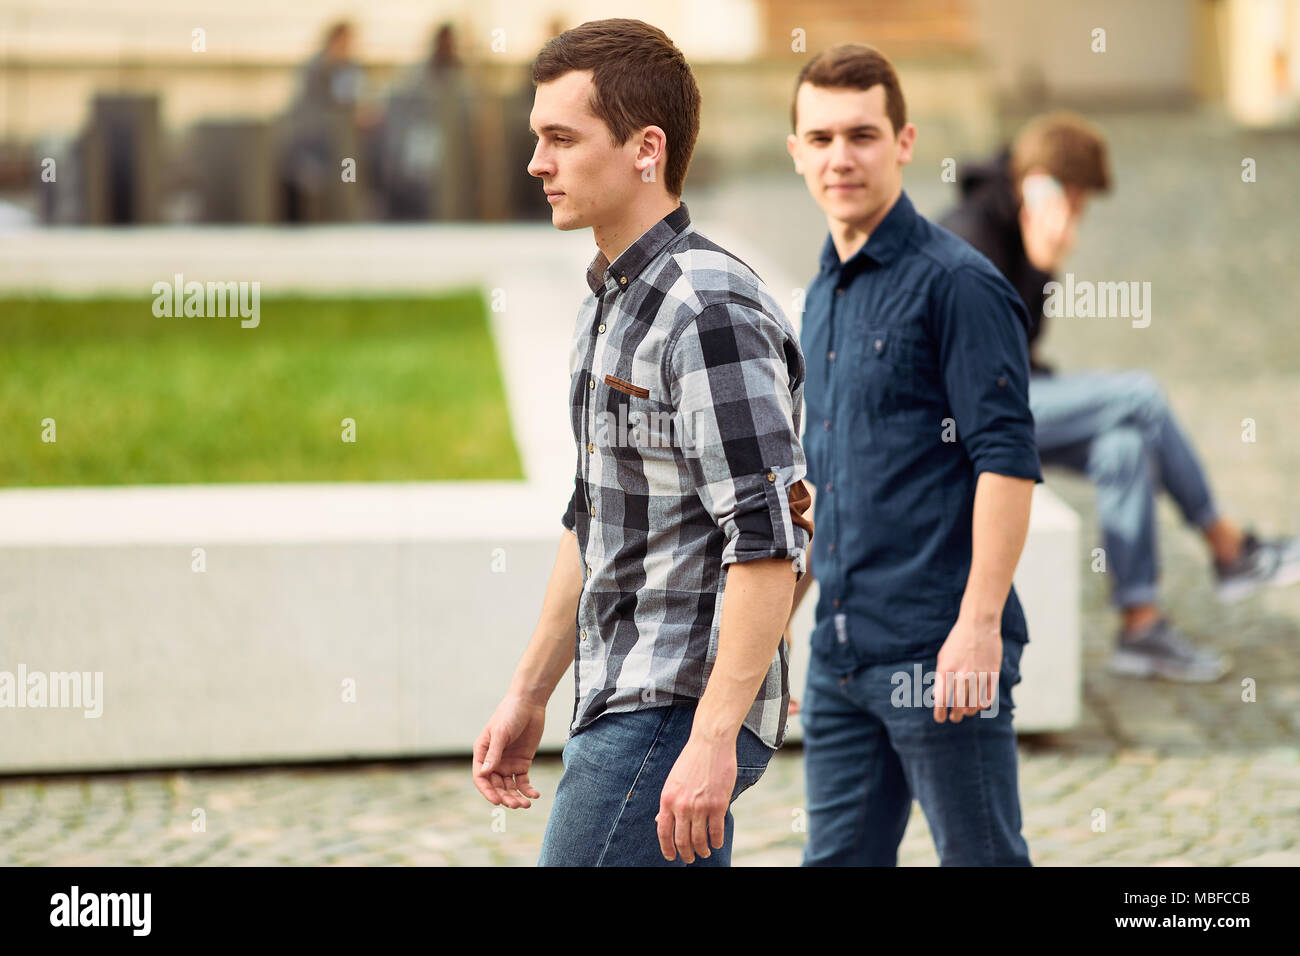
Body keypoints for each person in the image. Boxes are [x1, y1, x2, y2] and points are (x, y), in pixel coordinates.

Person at [471, 18, 813, 867]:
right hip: (620, 693)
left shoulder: (709, 311)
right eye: (536, 138)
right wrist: (529, 691)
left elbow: (771, 538)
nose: (536, 163)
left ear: (645, 149)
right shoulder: (609, 297)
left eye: (560, 138)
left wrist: (712, 739)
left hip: (672, 711)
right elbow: (592, 517)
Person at [786, 44, 1040, 866]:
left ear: (903, 141)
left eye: (861, 134)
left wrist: (977, 627)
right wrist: (780, 631)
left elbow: (1005, 457)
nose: (840, 157)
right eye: (820, 138)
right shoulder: (821, 292)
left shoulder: (957, 284)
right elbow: (823, 479)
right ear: (796, 153)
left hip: (940, 654)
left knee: (985, 859)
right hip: (840, 656)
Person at [940, 112, 1300, 682]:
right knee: (1141, 396)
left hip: (1009, 398)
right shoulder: (973, 233)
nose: (1079, 215)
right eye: (1078, 199)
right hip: (967, 414)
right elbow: (993, 360)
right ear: (1049, 184)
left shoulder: (1006, 220)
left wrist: (1039, 264)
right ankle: (1230, 549)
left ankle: (1141, 627)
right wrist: (1040, 266)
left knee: (1124, 445)